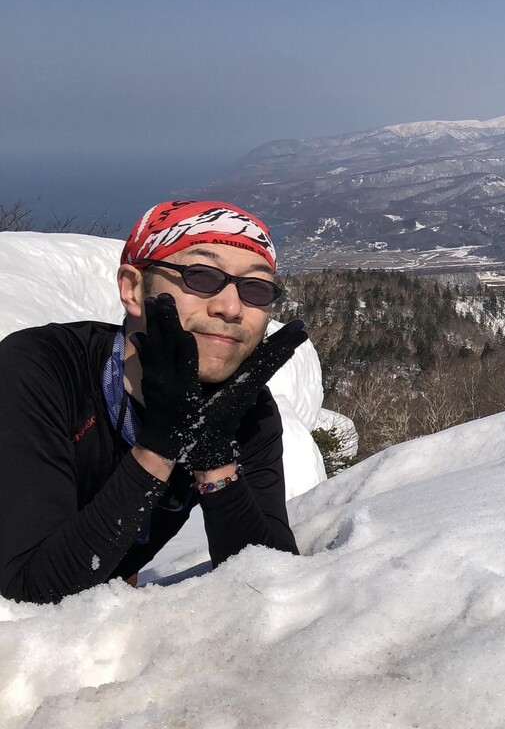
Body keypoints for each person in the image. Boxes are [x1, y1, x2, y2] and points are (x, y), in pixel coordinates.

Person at [0, 199, 309, 605]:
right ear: (132, 288)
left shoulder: (246, 410)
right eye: (201, 276)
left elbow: (270, 583)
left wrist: (212, 456)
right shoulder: (42, 370)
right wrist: (161, 446)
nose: (231, 308)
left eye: (255, 288)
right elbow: (25, 595)